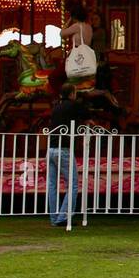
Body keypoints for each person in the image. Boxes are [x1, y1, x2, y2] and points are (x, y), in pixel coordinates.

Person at [47, 83, 88, 227]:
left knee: (52, 184)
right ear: (72, 94)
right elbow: (86, 114)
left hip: (51, 148)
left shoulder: (56, 107)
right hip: (63, 149)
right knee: (73, 184)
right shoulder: (72, 105)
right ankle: (63, 217)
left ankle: (54, 218)